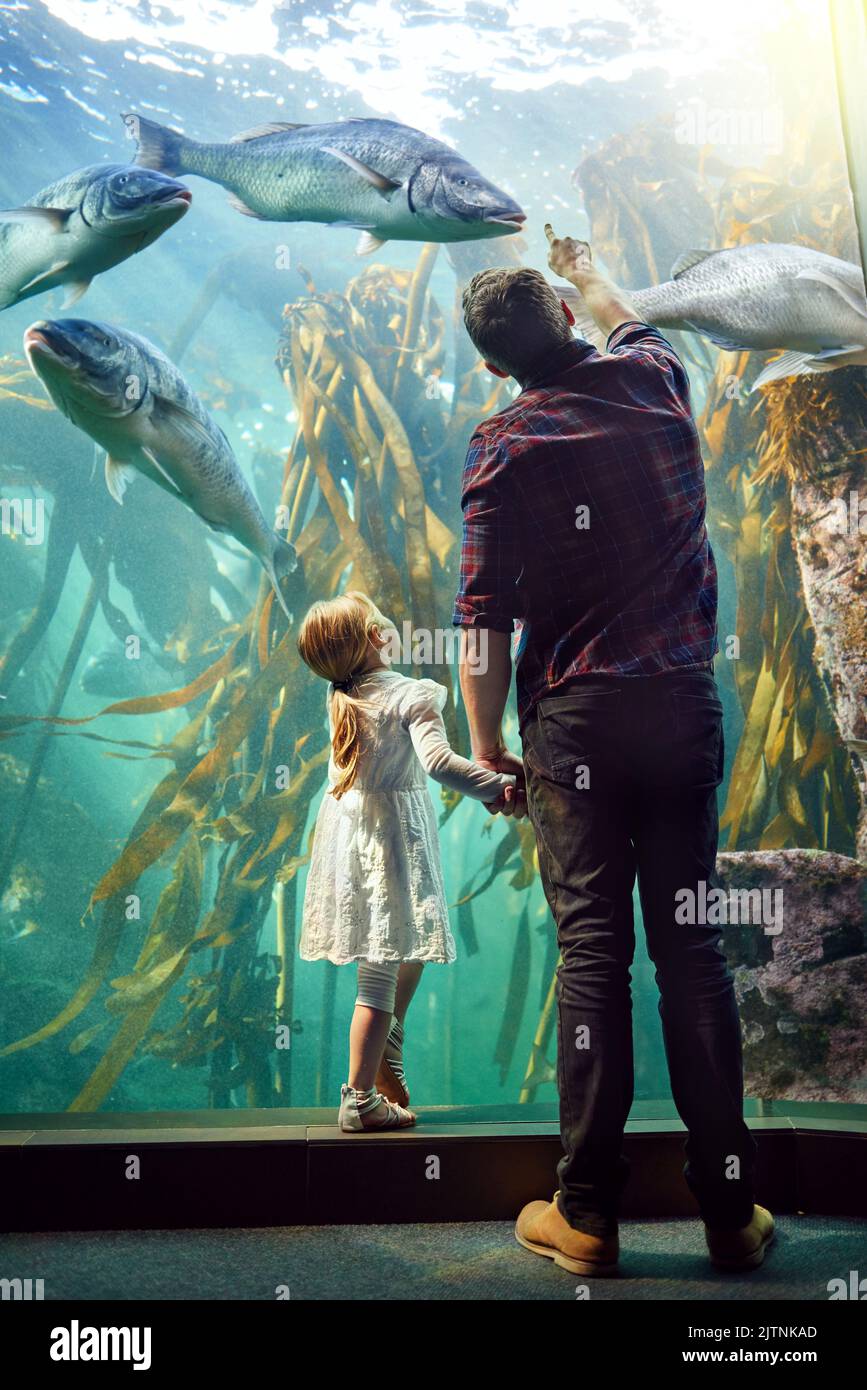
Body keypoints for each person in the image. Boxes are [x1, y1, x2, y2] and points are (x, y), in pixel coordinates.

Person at [453, 227, 773, 1275]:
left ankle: (586, 1216)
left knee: (593, 951)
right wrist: (587, 269)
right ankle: (730, 1214)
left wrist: (486, 741)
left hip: (575, 720)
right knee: (693, 952)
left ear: (493, 366)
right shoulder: (653, 378)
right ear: (563, 316)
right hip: (678, 707)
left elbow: (482, 617)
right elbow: (626, 316)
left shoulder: (502, 444)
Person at [297, 590, 516, 1132]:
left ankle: (388, 1039)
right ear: (377, 637)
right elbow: (438, 763)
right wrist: (500, 788)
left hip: (357, 843)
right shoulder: (409, 695)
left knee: (409, 941)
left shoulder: (343, 696)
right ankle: (359, 1098)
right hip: (391, 843)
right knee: (377, 979)